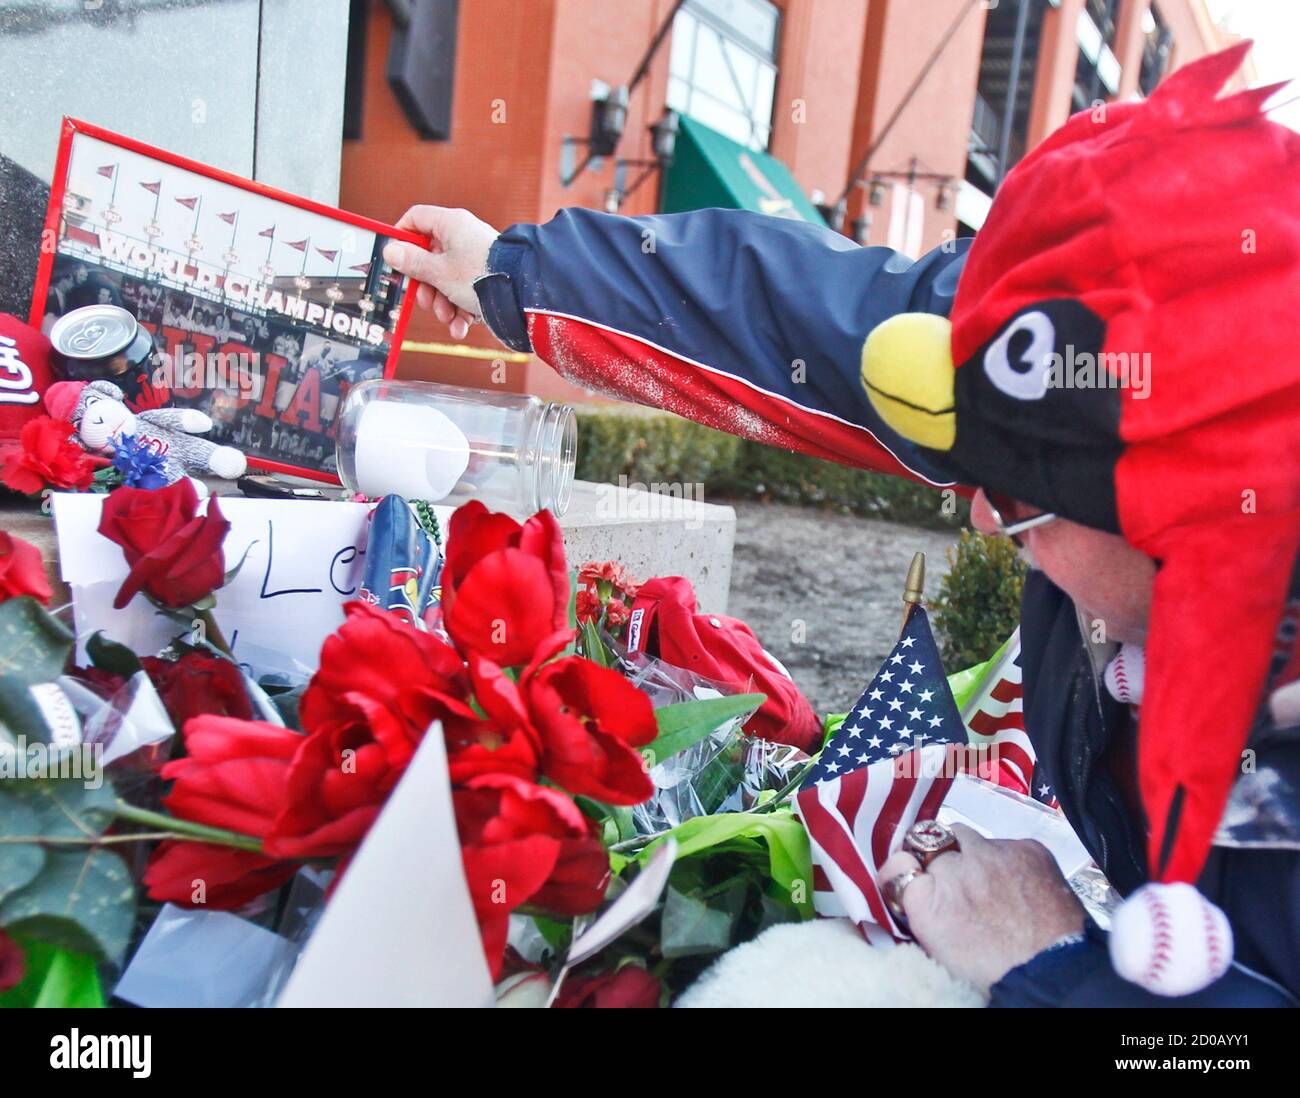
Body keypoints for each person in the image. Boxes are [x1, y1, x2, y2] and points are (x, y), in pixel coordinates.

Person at [381, 44, 1298, 1006]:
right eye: (979, 460)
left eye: (1024, 499)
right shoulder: (1078, 358)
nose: (984, 517)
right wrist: (522, 274)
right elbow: (828, 322)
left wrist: (1054, 963)